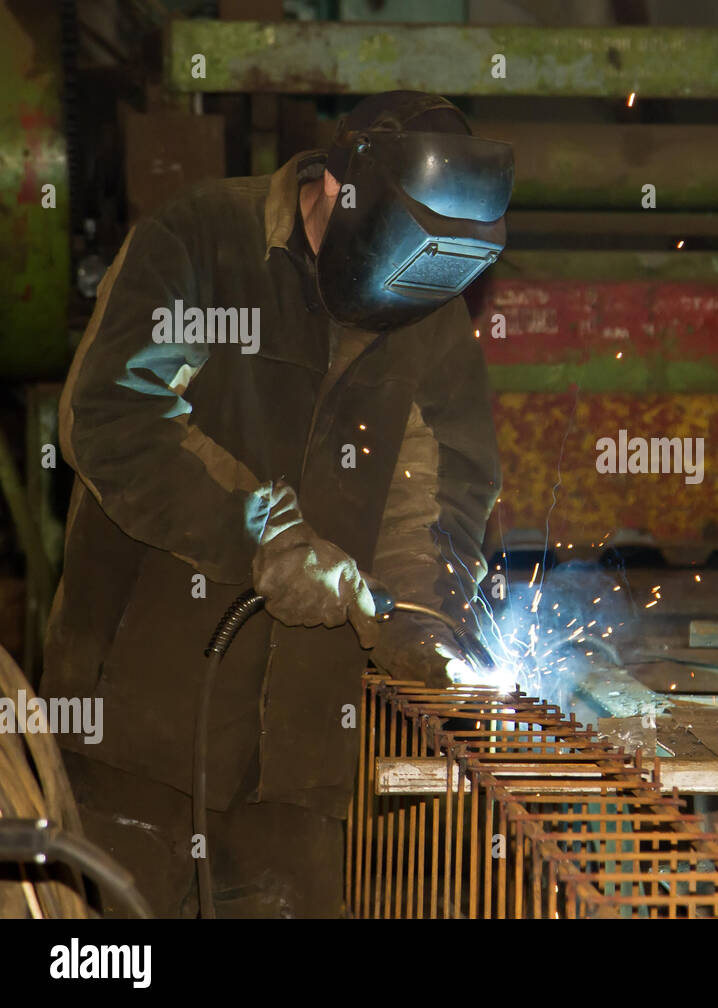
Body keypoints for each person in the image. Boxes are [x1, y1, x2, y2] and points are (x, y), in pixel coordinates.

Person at [42, 91, 513, 917]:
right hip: (135, 729)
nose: (407, 299)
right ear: (335, 184)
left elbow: (434, 491)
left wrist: (420, 620)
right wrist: (264, 535)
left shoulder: (430, 312)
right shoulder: (201, 238)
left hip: (304, 762)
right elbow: (113, 415)